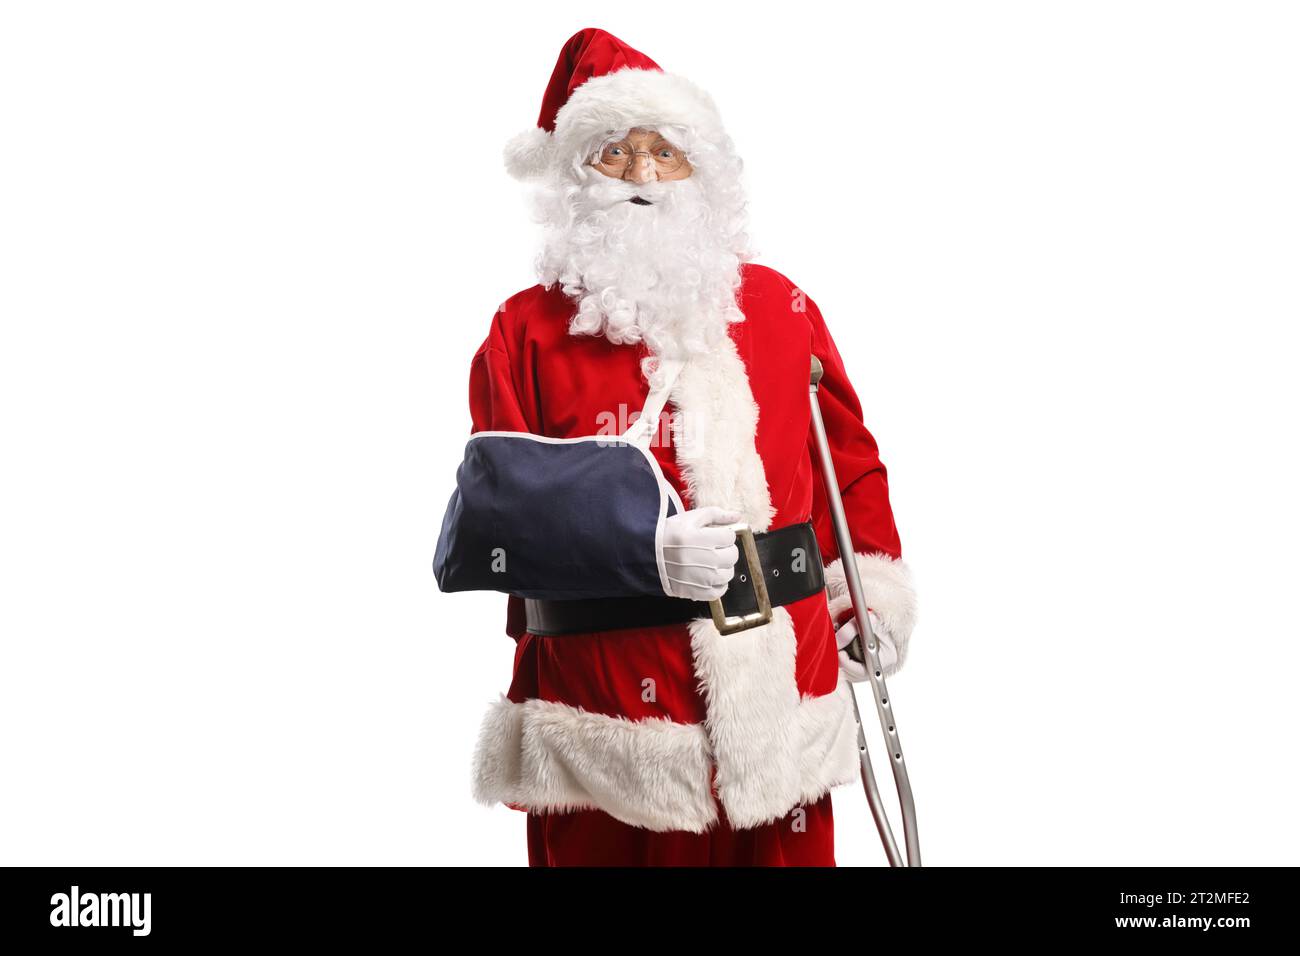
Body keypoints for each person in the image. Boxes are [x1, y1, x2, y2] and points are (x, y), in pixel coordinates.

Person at [448, 27, 916, 866]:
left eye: (665, 152)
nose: (642, 176)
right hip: (607, 721)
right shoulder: (523, 329)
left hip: (782, 700)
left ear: (704, 173)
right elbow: (496, 515)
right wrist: (643, 549)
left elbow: (848, 467)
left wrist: (869, 601)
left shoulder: (782, 308)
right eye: (613, 154)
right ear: (571, 181)